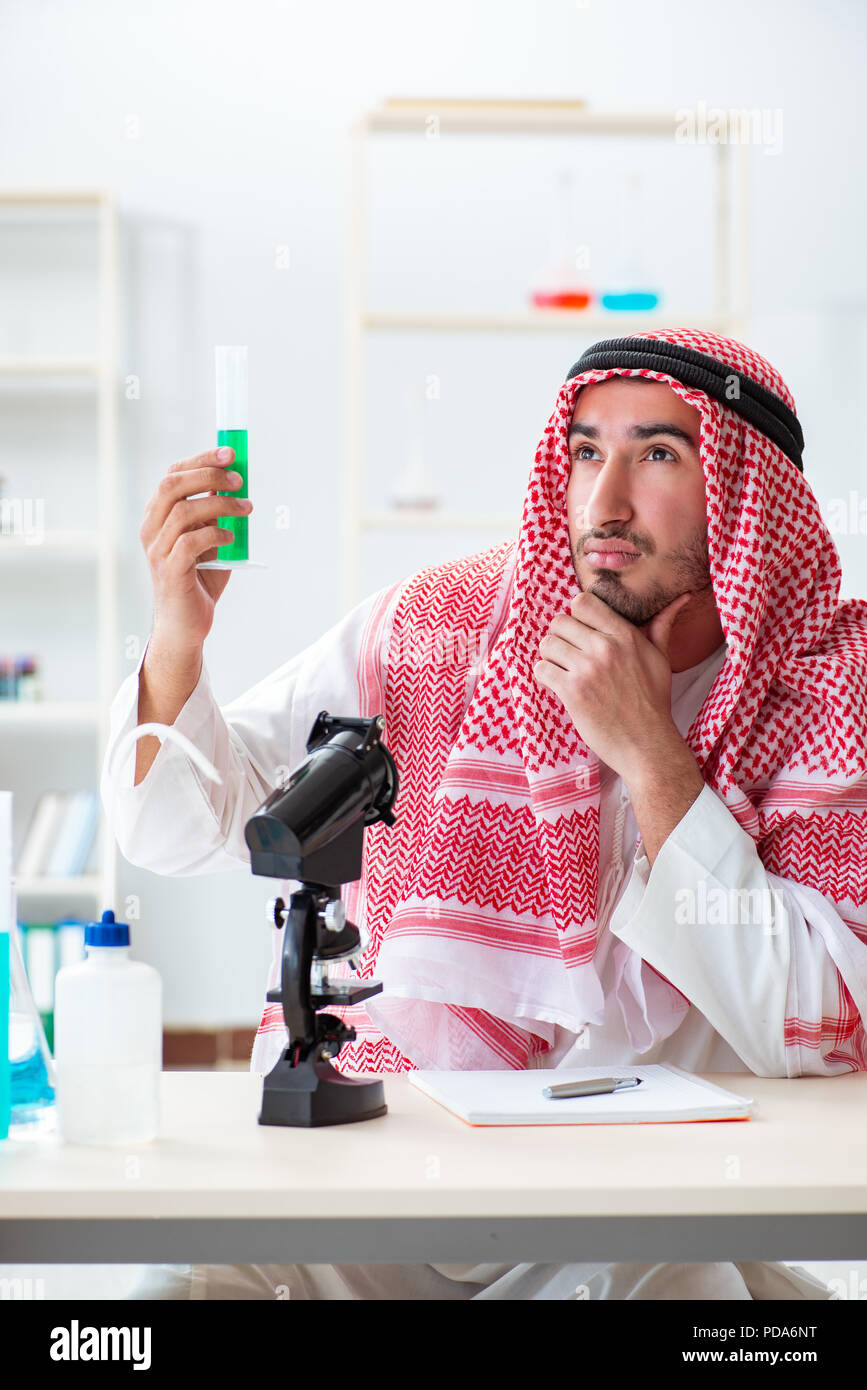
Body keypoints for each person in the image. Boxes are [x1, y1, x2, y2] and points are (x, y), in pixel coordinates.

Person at [101, 328, 867, 1301]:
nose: (605, 498)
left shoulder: (827, 688)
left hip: (639, 1218)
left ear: (745, 495)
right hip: (380, 1192)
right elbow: (178, 824)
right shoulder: (438, 628)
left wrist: (651, 754)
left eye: (658, 453)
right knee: (169, 1296)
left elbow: (812, 1026)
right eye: (587, 450)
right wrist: (178, 633)